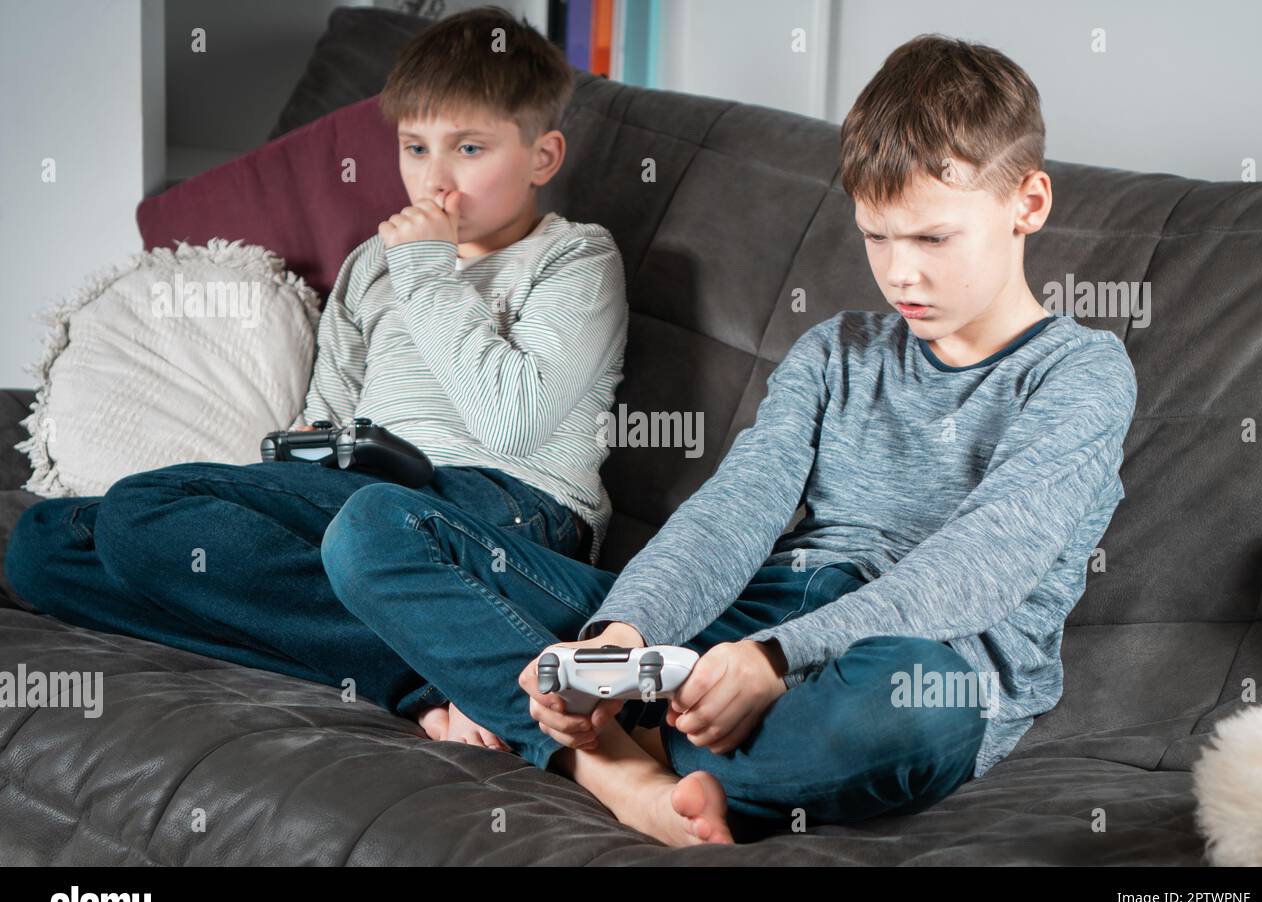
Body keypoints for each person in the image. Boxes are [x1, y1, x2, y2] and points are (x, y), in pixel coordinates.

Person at [318, 33, 1138, 846]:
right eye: (877, 236)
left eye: (931, 238)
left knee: (909, 712)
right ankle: (631, 764)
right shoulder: (836, 350)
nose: (900, 275)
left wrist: (776, 662)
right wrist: (625, 637)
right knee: (372, 530)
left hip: (912, 658)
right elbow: (736, 508)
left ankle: (611, 735)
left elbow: (983, 565)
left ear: (1027, 204)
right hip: (731, 634)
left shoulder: (1081, 373)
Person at [5, 6, 628, 747]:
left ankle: (451, 673)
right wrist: (303, 450)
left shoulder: (575, 259)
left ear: (542, 157)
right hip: (367, 489)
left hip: (502, 507)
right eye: (415, 147)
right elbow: (328, 414)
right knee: (44, 546)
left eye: (468, 148)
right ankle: (412, 662)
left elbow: (511, 420)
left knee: (140, 513)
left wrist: (428, 270)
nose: (435, 178)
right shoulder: (373, 264)